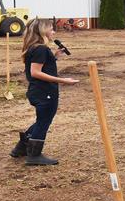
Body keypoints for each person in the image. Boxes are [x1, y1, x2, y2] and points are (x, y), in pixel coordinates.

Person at [11, 18, 81, 166]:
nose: (53, 32)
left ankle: (21, 148)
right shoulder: (41, 49)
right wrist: (63, 80)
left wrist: (54, 57)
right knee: (43, 122)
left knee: (41, 120)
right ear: (43, 31)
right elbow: (35, 72)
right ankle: (34, 155)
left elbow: (39, 67)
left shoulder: (36, 48)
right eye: (51, 29)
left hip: (39, 91)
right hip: (44, 91)